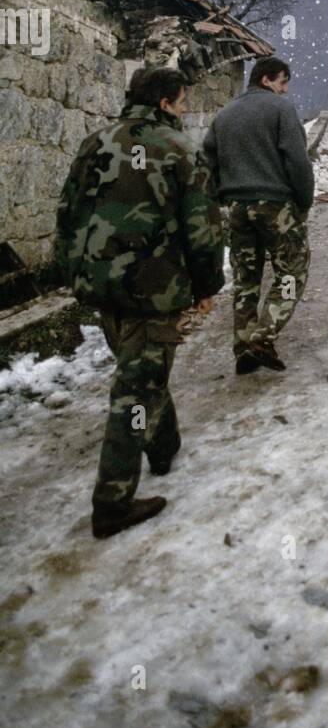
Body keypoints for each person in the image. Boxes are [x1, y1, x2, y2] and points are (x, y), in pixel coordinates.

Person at [54, 67, 225, 539]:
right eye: (184, 102)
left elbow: (67, 214)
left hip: (100, 283)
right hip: (152, 289)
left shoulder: (96, 141)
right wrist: (207, 286)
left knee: (141, 370)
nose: (187, 110)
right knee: (135, 391)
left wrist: (73, 270)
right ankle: (112, 503)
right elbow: (204, 230)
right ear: (167, 102)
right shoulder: (180, 151)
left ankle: (164, 445)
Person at [203, 56, 314, 375]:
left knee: (246, 277)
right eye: (282, 81)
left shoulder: (224, 114)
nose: (285, 88)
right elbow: (297, 161)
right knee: (293, 270)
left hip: (236, 208)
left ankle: (243, 346)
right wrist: (303, 202)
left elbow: (206, 163)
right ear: (266, 80)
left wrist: (218, 197)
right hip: (275, 205)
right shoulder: (281, 110)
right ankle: (263, 338)